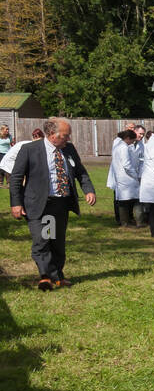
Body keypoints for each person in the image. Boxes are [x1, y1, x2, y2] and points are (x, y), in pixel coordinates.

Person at [8, 117, 97, 290]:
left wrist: (89, 190)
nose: (68, 139)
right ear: (51, 135)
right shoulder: (30, 149)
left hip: (59, 205)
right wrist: (16, 203)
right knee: (42, 240)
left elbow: (80, 172)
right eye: (65, 135)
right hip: (39, 204)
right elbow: (16, 178)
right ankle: (45, 276)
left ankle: (56, 276)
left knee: (55, 241)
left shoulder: (68, 149)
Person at [107, 129, 140, 226]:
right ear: (128, 138)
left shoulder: (118, 145)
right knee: (125, 200)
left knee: (124, 199)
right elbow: (126, 164)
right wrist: (135, 175)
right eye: (132, 140)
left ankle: (126, 221)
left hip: (120, 176)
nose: (132, 143)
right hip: (126, 177)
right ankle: (125, 222)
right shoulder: (123, 147)